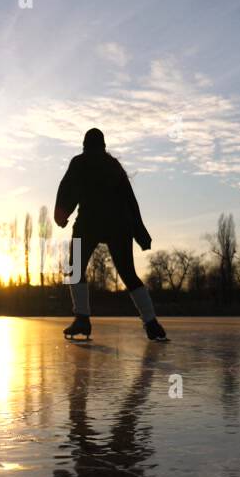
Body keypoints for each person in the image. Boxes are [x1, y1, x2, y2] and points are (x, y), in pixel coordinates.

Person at [54, 128, 167, 341]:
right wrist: (139, 230)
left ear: (85, 145)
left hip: (89, 223)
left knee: (75, 268)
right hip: (119, 224)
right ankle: (151, 323)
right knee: (128, 273)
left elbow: (67, 188)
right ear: (104, 146)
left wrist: (61, 213)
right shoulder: (113, 165)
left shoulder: (80, 162)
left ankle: (82, 318)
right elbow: (130, 200)